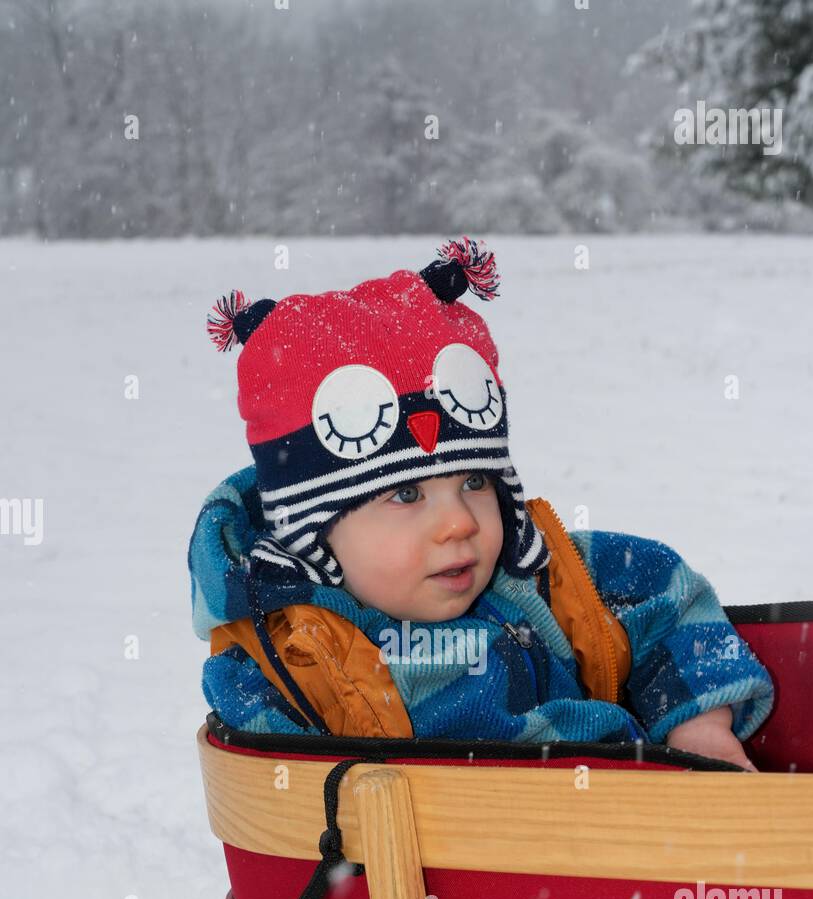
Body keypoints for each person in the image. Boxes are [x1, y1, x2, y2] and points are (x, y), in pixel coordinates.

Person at [188, 237, 773, 767]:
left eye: (474, 483)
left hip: (628, 842)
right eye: (408, 494)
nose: (459, 523)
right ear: (313, 537)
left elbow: (666, 592)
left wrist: (699, 727)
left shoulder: (541, 578)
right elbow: (278, 809)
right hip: (457, 871)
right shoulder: (288, 663)